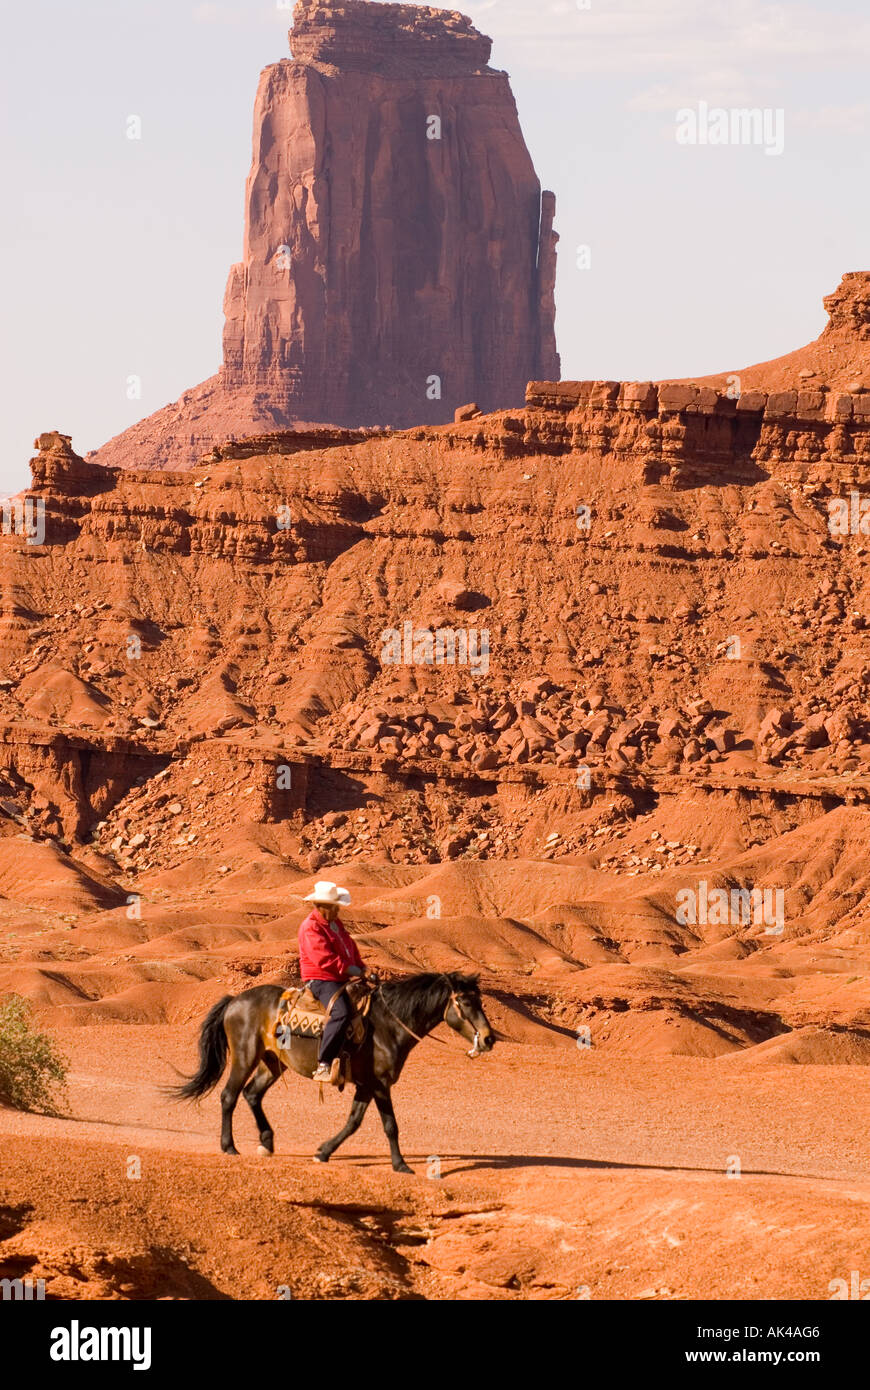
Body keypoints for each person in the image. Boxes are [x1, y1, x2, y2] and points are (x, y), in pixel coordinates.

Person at [298, 880, 366, 1084]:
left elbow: (350, 948)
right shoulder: (310, 927)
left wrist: (361, 967)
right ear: (321, 907)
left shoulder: (336, 925)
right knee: (341, 1012)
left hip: (340, 977)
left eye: (338, 906)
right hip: (321, 979)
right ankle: (323, 1064)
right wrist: (352, 969)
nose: (338, 910)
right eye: (334, 906)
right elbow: (324, 959)